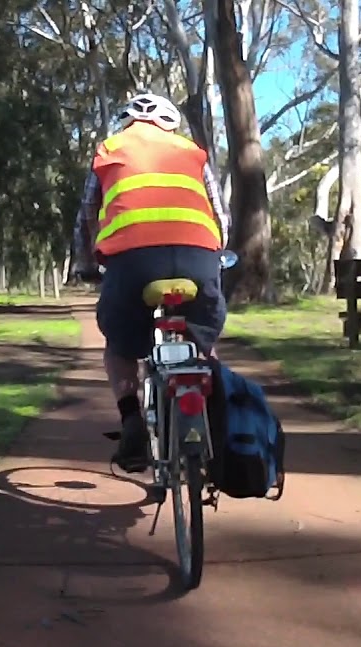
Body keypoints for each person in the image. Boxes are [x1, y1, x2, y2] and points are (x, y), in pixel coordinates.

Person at [70, 92, 231, 477]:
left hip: (131, 262)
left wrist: (85, 262)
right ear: (169, 123)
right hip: (198, 259)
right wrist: (219, 252)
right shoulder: (192, 152)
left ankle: (131, 422)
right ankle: (218, 423)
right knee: (202, 342)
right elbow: (220, 215)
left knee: (120, 346)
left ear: (128, 122)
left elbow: (86, 216)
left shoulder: (109, 150)